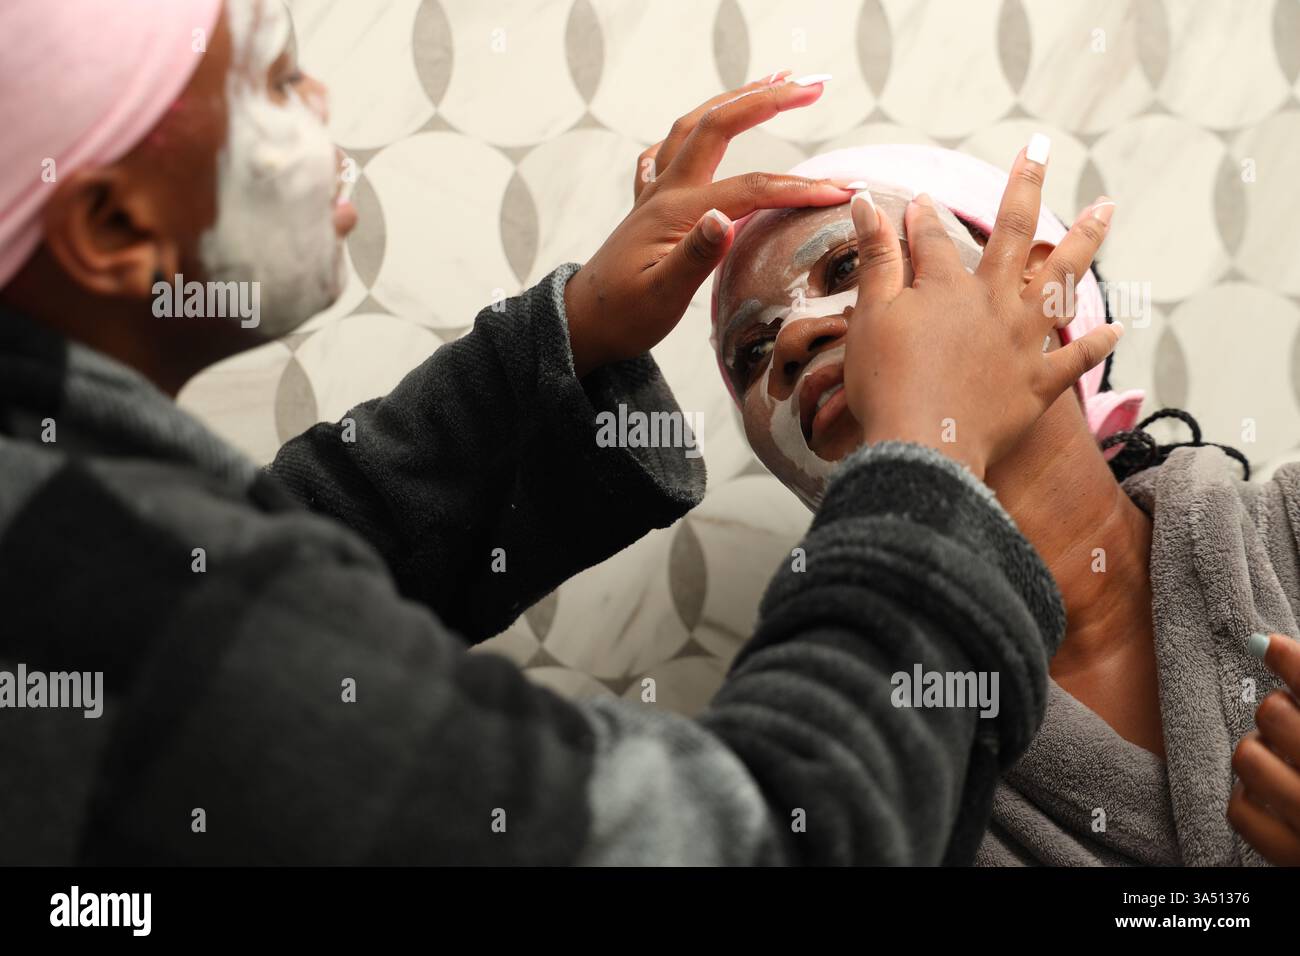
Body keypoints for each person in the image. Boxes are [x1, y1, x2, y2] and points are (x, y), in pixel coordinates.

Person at [0, 0, 1099, 865]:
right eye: (277, 81)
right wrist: (929, 463)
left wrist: (563, 345)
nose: (805, 341)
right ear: (110, 227)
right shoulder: (107, 591)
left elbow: (275, 538)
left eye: (851, 267)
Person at [710, 142, 1300, 866]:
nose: (793, 340)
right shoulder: (867, 770)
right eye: (752, 354)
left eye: (847, 266)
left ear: (1039, 282)